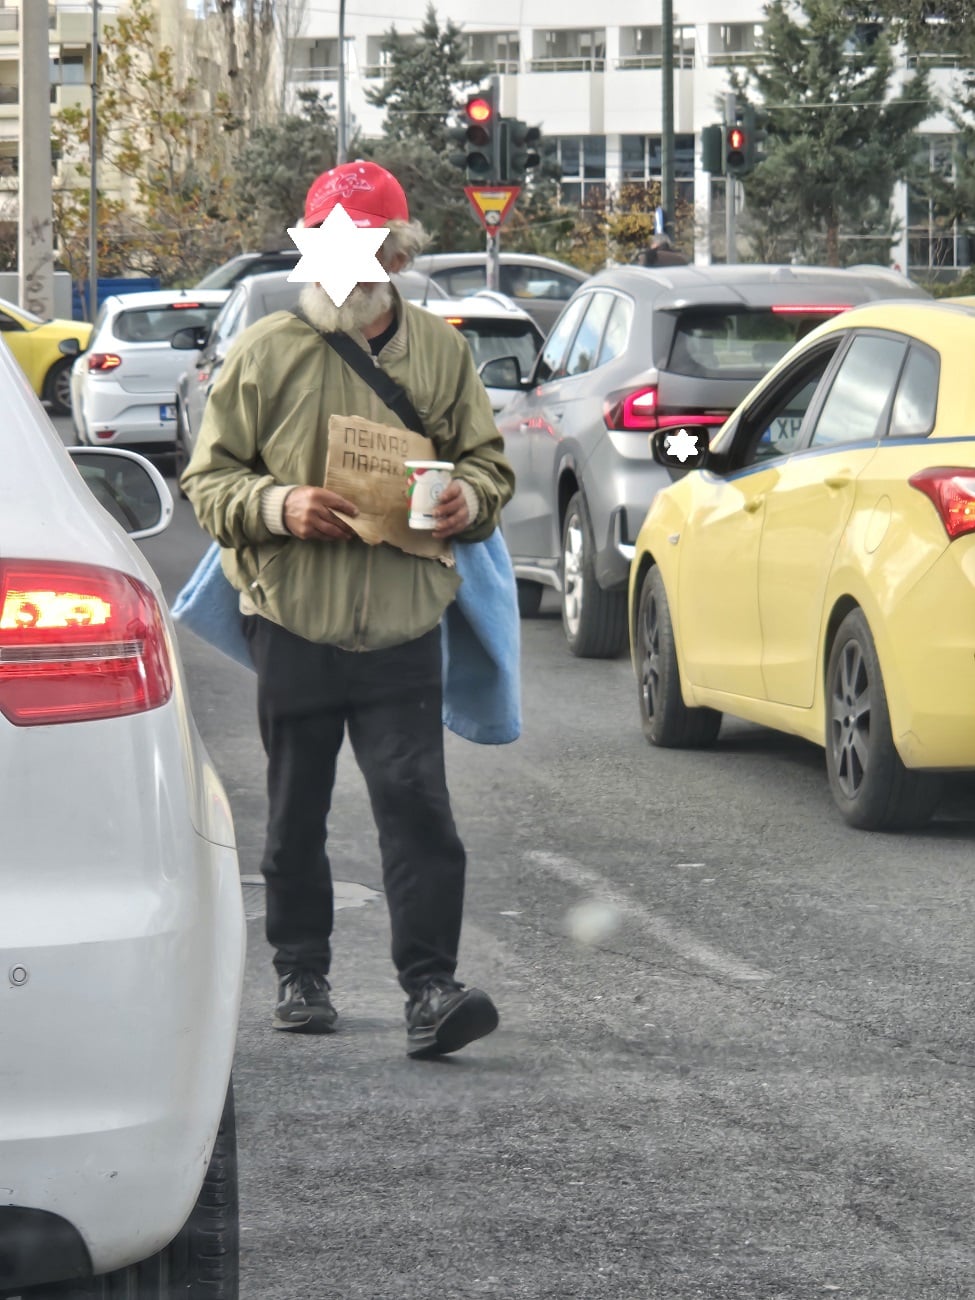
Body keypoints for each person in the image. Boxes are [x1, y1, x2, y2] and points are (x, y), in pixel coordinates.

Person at [180, 160, 515, 1060]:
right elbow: (209, 482)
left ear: (397, 258)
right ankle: (301, 971)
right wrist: (277, 506)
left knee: (416, 807)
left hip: (404, 623)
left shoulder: (441, 354)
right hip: (291, 617)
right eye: (324, 255)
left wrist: (466, 501)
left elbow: (487, 466)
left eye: (359, 255)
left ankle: (430, 989)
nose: (338, 275)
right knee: (294, 809)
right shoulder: (264, 352)